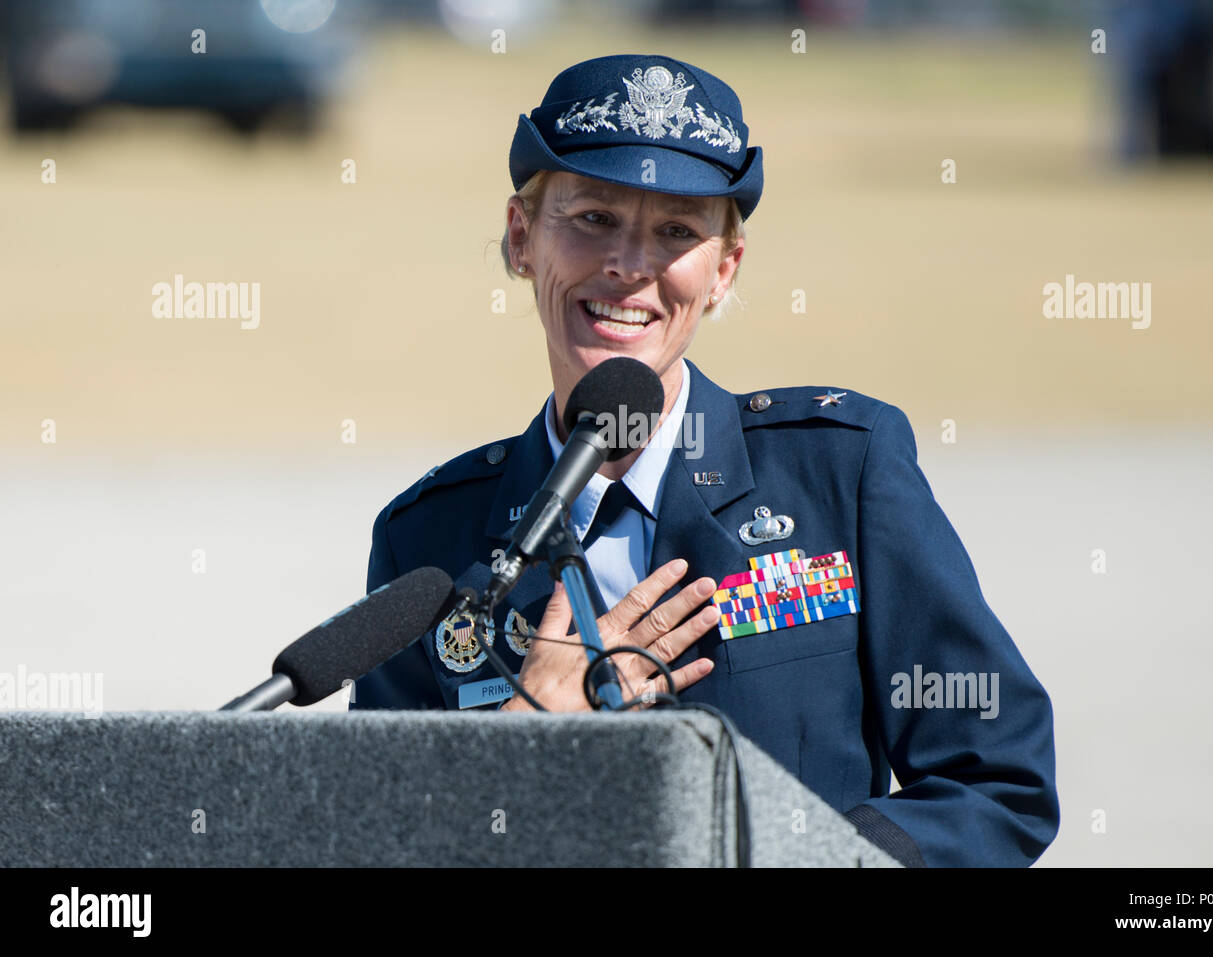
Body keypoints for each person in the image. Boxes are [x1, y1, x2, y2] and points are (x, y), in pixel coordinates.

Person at [351, 54, 1059, 867]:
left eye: (677, 232)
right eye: (591, 218)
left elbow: (997, 780)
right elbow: (386, 844)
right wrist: (522, 744)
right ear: (521, 238)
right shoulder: (432, 544)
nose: (629, 264)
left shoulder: (839, 475)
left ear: (724, 271)